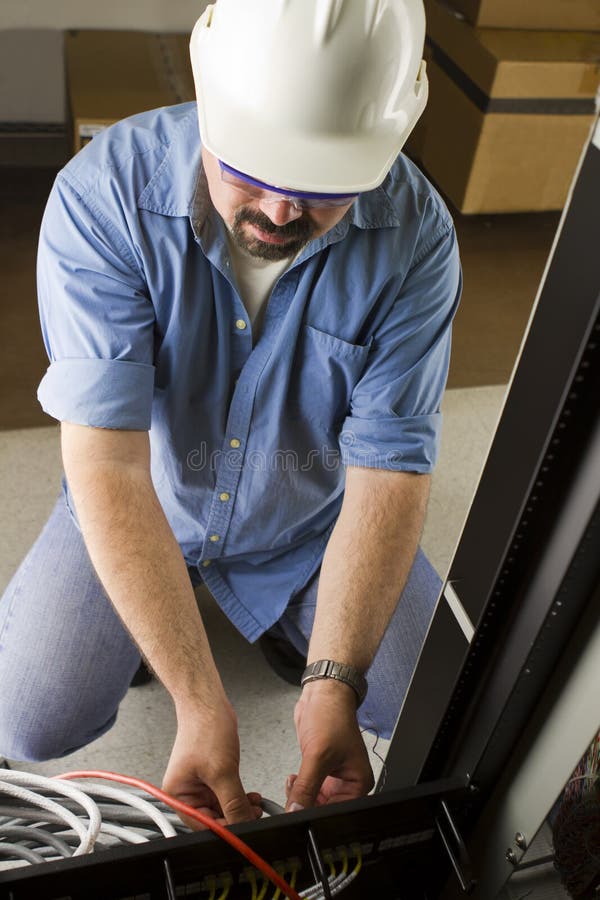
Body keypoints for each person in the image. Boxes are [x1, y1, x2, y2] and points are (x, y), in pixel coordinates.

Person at [0, 0, 461, 826]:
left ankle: (295, 631)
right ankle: (161, 613)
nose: (281, 213)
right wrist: (200, 702)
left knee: (448, 700)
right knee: (26, 715)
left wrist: (335, 681)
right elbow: (105, 463)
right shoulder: (103, 195)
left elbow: (389, 472)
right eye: (252, 170)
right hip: (148, 492)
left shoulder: (418, 237)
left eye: (323, 187)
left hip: (311, 522)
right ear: (209, 103)